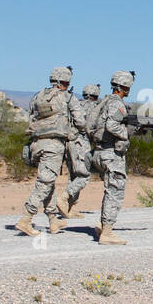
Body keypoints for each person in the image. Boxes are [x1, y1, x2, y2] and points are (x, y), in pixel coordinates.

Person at [14, 66, 86, 236]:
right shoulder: (68, 97)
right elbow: (81, 122)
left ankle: (53, 220)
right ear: (66, 82)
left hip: (36, 144)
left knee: (49, 183)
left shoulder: (38, 96)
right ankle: (26, 218)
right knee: (45, 182)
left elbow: (31, 117)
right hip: (53, 145)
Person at [88, 71, 134, 245]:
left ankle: (103, 226)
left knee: (110, 190)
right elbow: (112, 125)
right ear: (125, 87)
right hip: (111, 154)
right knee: (115, 190)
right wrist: (128, 132)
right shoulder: (117, 104)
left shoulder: (104, 102)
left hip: (99, 151)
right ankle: (107, 232)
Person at [62, 83, 101, 218]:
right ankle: (64, 198)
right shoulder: (95, 107)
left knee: (73, 175)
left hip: (68, 142)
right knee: (83, 175)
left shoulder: (75, 104)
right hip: (81, 142)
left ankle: (70, 209)